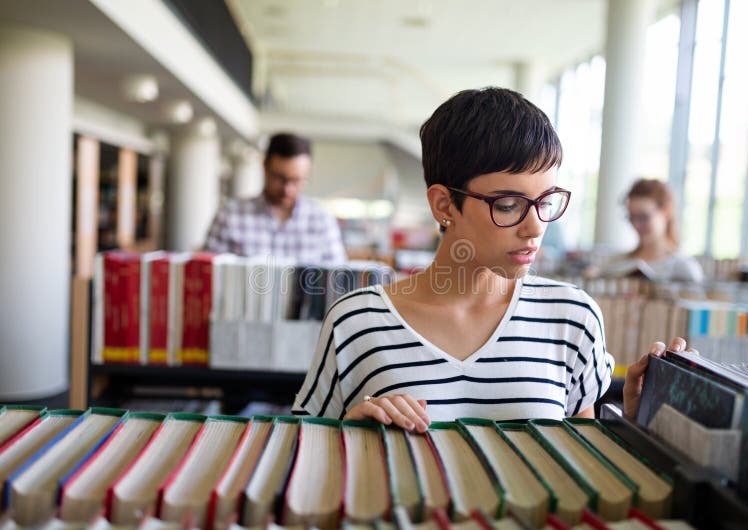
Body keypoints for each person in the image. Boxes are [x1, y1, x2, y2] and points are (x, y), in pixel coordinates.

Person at [292, 88, 687, 430]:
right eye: (510, 204)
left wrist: (639, 423)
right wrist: (347, 435)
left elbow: (582, 472)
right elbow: (300, 459)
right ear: (444, 204)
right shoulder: (356, 322)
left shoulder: (572, 318)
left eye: (545, 202)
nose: (535, 227)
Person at [204, 132, 347, 264]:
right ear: (264, 167)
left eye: (296, 180)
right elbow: (208, 272)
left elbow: (338, 280)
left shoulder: (323, 221)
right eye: (280, 178)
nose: (287, 189)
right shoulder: (229, 216)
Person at [601, 178, 703, 283]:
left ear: (666, 211)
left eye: (643, 217)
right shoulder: (616, 263)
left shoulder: (684, 268)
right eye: (632, 217)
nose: (636, 224)